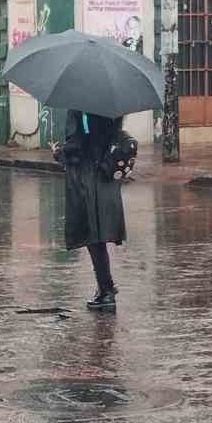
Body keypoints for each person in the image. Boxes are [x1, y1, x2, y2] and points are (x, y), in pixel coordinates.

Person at [59, 110, 127, 312]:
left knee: (93, 236)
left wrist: (59, 152)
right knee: (98, 234)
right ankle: (105, 286)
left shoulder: (79, 108)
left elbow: (75, 145)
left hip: (87, 177)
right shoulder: (112, 109)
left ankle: (106, 290)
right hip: (105, 173)